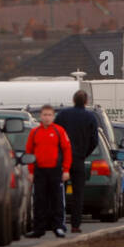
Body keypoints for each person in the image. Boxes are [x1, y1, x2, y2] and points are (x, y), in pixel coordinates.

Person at [55, 89, 100, 233]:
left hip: (62, 160)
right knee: (78, 194)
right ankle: (75, 225)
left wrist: (60, 152)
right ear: (86, 102)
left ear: (73, 100)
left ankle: (57, 222)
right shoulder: (90, 117)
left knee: (59, 191)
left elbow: (55, 132)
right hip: (79, 160)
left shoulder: (63, 115)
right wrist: (84, 154)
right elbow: (94, 141)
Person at [23, 103, 71, 238]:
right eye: (44, 115)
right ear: (40, 116)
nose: (47, 117)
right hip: (40, 171)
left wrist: (66, 169)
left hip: (55, 171)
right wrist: (31, 172)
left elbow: (67, 150)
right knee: (39, 200)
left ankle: (58, 227)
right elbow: (29, 152)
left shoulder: (59, 131)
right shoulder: (35, 132)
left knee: (57, 199)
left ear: (53, 116)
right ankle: (39, 228)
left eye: (49, 115)